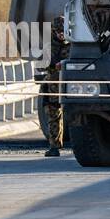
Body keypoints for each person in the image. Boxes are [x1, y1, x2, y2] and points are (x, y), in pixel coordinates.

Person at [39, 14, 69, 157]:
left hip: (72, 85)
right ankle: (54, 146)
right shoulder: (48, 46)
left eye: (63, 32)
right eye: (59, 32)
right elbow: (41, 65)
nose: (61, 35)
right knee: (53, 115)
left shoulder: (76, 45)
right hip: (53, 85)